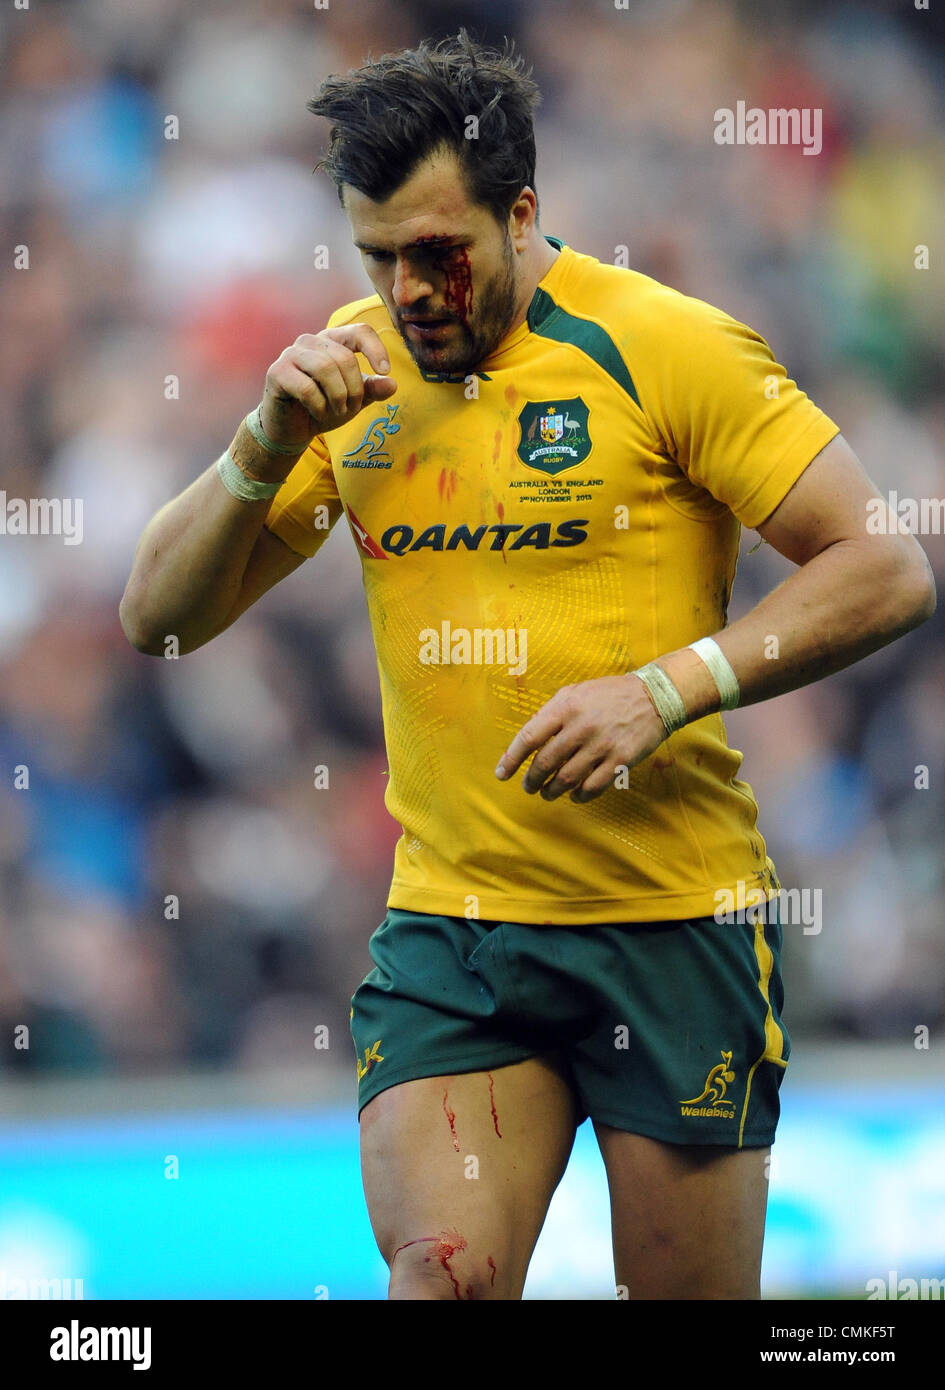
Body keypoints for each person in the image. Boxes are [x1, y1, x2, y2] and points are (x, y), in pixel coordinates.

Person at [119, 32, 936, 1300]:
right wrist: (261, 443)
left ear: (523, 213)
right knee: (438, 1278)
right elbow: (157, 620)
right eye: (377, 255)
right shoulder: (349, 382)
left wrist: (666, 690)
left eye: (438, 253)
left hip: (672, 923)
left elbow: (887, 568)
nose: (408, 292)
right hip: (460, 936)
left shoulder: (667, 348)